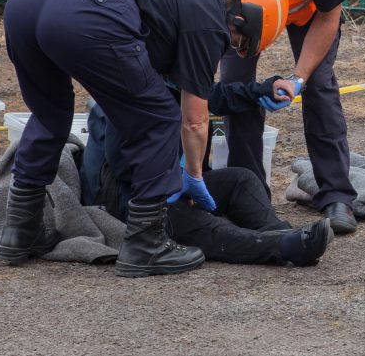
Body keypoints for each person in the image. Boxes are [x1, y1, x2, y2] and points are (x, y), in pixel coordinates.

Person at [0, 0, 290, 278]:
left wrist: (256, 91)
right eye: (239, 43)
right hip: (89, 5)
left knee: (50, 114)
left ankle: (20, 231)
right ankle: (145, 244)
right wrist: (194, 177)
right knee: (160, 119)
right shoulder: (210, 20)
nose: (229, 49)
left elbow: (183, 89)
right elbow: (192, 119)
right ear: (240, 18)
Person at [195, 0, 359, 234]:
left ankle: (337, 196)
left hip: (307, 16)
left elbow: (328, 18)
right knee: (235, 85)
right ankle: (249, 192)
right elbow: (201, 16)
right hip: (242, 12)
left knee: (320, 86)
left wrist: (299, 78)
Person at [83, 77, 333, 268]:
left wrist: (262, 90)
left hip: (176, 183)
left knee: (241, 179)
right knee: (195, 222)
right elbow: (120, 165)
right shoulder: (130, 88)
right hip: (133, 196)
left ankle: (277, 230)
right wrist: (177, 178)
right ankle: (281, 246)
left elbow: (215, 95)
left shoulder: (172, 74)